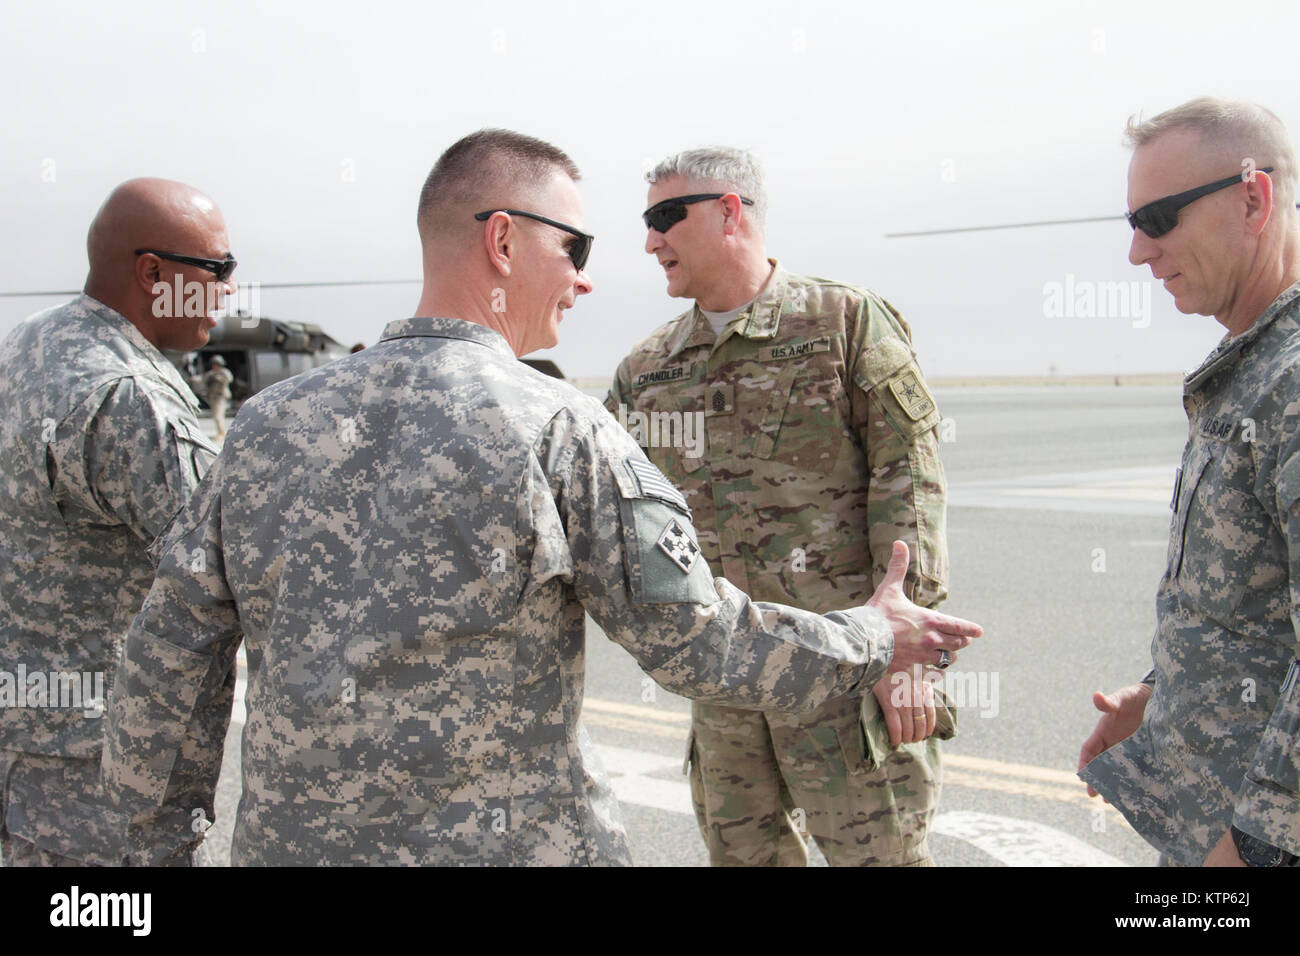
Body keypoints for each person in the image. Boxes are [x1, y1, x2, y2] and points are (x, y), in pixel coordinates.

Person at [101, 130, 982, 866]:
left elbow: (165, 661)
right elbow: (694, 642)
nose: (590, 277)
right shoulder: (558, 426)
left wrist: (151, 851)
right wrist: (875, 636)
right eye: (578, 247)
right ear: (503, 241)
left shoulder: (263, 426)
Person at [606, 147, 951, 866]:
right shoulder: (648, 370)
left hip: (849, 668)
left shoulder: (845, 323)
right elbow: (605, 504)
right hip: (729, 679)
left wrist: (909, 654)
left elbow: (909, 484)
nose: (650, 240)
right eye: (647, 221)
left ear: (731, 211)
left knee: (880, 858)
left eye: (667, 217)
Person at [1079, 97, 1300, 867]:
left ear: (1253, 199)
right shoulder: (1254, 368)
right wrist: (1164, 692)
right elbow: (1255, 599)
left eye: (1161, 217)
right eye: (1132, 223)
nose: (1139, 253)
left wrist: (1256, 846)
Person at [0, 178, 229, 866]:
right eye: (217, 270)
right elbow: (231, 561)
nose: (227, 293)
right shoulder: (128, 397)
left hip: (27, 753)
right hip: (101, 789)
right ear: (152, 272)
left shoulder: (26, 349)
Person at [203, 355, 234, 439]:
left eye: (216, 364)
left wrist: (218, 378)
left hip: (221, 397)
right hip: (213, 397)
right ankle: (221, 432)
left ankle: (222, 433)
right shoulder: (211, 373)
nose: (215, 366)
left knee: (218, 416)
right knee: (216, 416)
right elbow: (204, 379)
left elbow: (229, 379)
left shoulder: (224, 372)